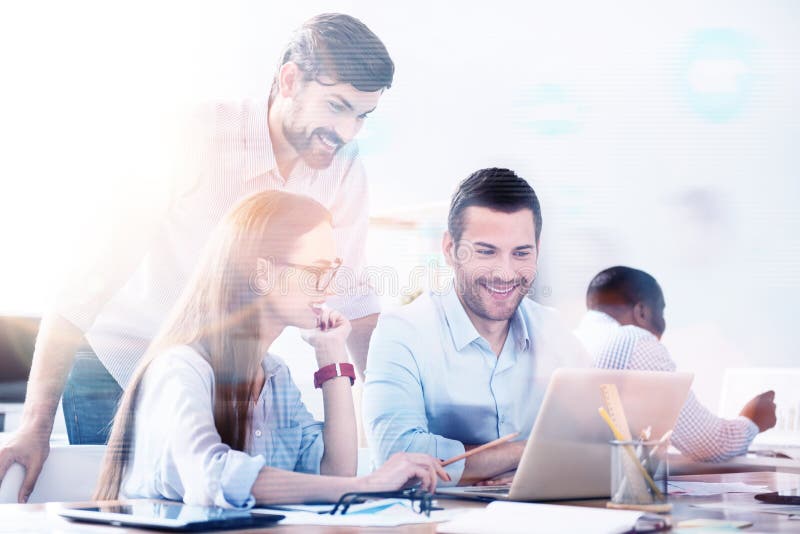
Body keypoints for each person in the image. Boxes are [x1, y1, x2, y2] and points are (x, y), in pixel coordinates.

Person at [0, 13, 394, 503]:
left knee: (218, 499)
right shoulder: (194, 137)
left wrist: (390, 433)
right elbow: (86, 283)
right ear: (290, 80)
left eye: (362, 115)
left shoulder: (343, 168)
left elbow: (356, 304)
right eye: (337, 107)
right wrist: (34, 427)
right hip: (122, 359)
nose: (348, 131)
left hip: (225, 367)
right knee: (140, 504)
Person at [93, 191, 448, 506]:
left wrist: (332, 356)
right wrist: (367, 485)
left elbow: (335, 475)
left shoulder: (275, 377)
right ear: (262, 273)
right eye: (315, 270)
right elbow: (209, 476)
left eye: (333, 270)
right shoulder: (180, 368)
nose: (327, 286)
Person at [362, 168, 590, 487]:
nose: (505, 273)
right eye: (486, 252)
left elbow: (596, 443)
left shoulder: (553, 330)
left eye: (521, 253)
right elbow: (397, 455)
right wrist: (526, 454)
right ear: (450, 250)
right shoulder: (402, 332)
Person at [574, 265, 777, 462]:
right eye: (660, 312)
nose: (664, 325)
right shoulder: (634, 339)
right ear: (642, 312)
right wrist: (753, 419)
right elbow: (711, 445)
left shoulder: (574, 338)